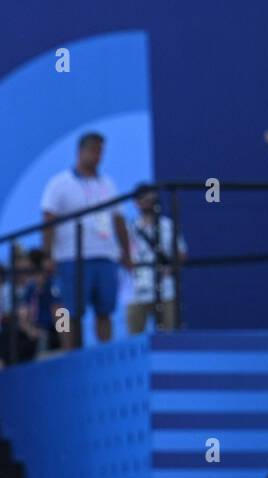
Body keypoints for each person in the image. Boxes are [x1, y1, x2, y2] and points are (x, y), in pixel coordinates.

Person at [40, 132, 133, 346]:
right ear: (80, 152)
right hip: (70, 257)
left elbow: (118, 220)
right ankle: (68, 353)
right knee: (66, 309)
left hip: (105, 255)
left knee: (105, 309)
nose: (97, 156)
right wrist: (47, 255)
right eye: (93, 150)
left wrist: (126, 253)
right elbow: (47, 220)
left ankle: (105, 354)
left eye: (101, 151)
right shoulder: (59, 183)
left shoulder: (108, 183)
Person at [125, 185, 187, 333]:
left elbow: (181, 253)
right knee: (134, 338)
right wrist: (130, 267)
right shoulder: (129, 228)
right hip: (136, 291)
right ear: (136, 202)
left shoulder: (167, 225)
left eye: (150, 198)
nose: (147, 202)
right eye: (143, 199)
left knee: (170, 336)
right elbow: (121, 255)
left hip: (166, 290)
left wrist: (171, 269)